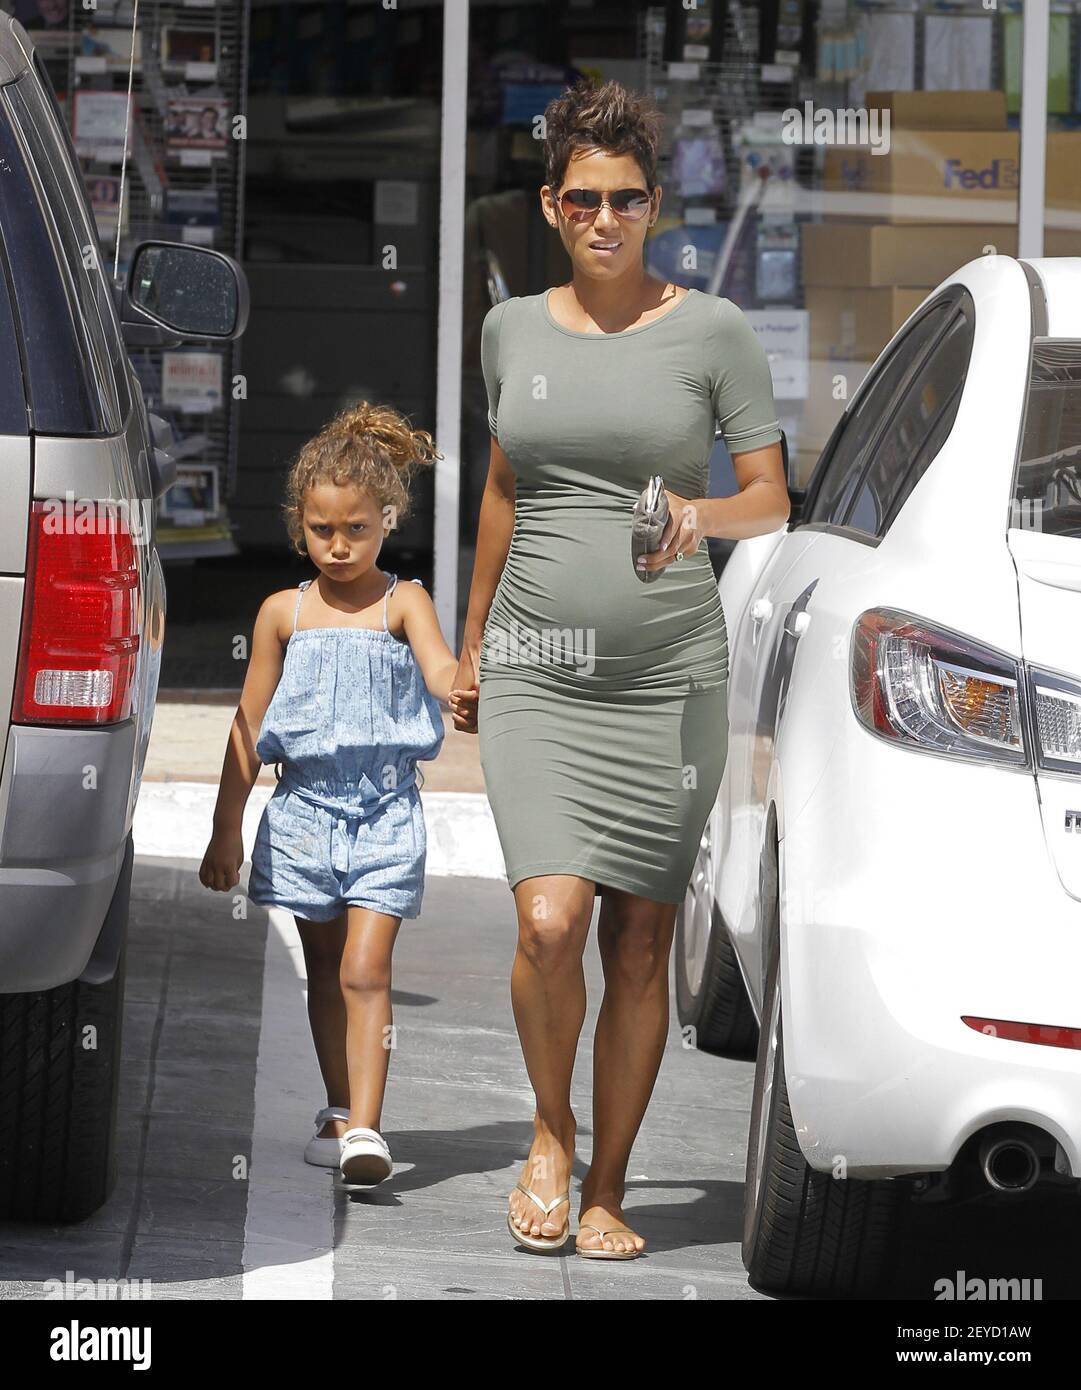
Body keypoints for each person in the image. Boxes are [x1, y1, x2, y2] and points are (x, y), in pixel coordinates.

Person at [453, 78, 791, 1259]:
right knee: (549, 921)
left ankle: (605, 1181)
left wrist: (698, 516)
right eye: (583, 199)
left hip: (666, 678)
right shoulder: (512, 330)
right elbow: (503, 487)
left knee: (639, 941)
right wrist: (470, 637)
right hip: (540, 664)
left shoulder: (715, 332)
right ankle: (549, 1131)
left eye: (628, 200)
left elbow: (770, 497)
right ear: (551, 206)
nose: (606, 219)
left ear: (656, 208)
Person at [199, 401, 477, 1187]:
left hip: (386, 811)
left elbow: (439, 669)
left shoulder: (405, 603)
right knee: (324, 968)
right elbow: (248, 727)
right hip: (300, 815)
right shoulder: (281, 614)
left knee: (364, 969)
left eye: (356, 528)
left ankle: (366, 1129)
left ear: (386, 522)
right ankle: (337, 1105)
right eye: (322, 530)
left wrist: (462, 688)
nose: (339, 545)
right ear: (299, 528)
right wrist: (227, 829)